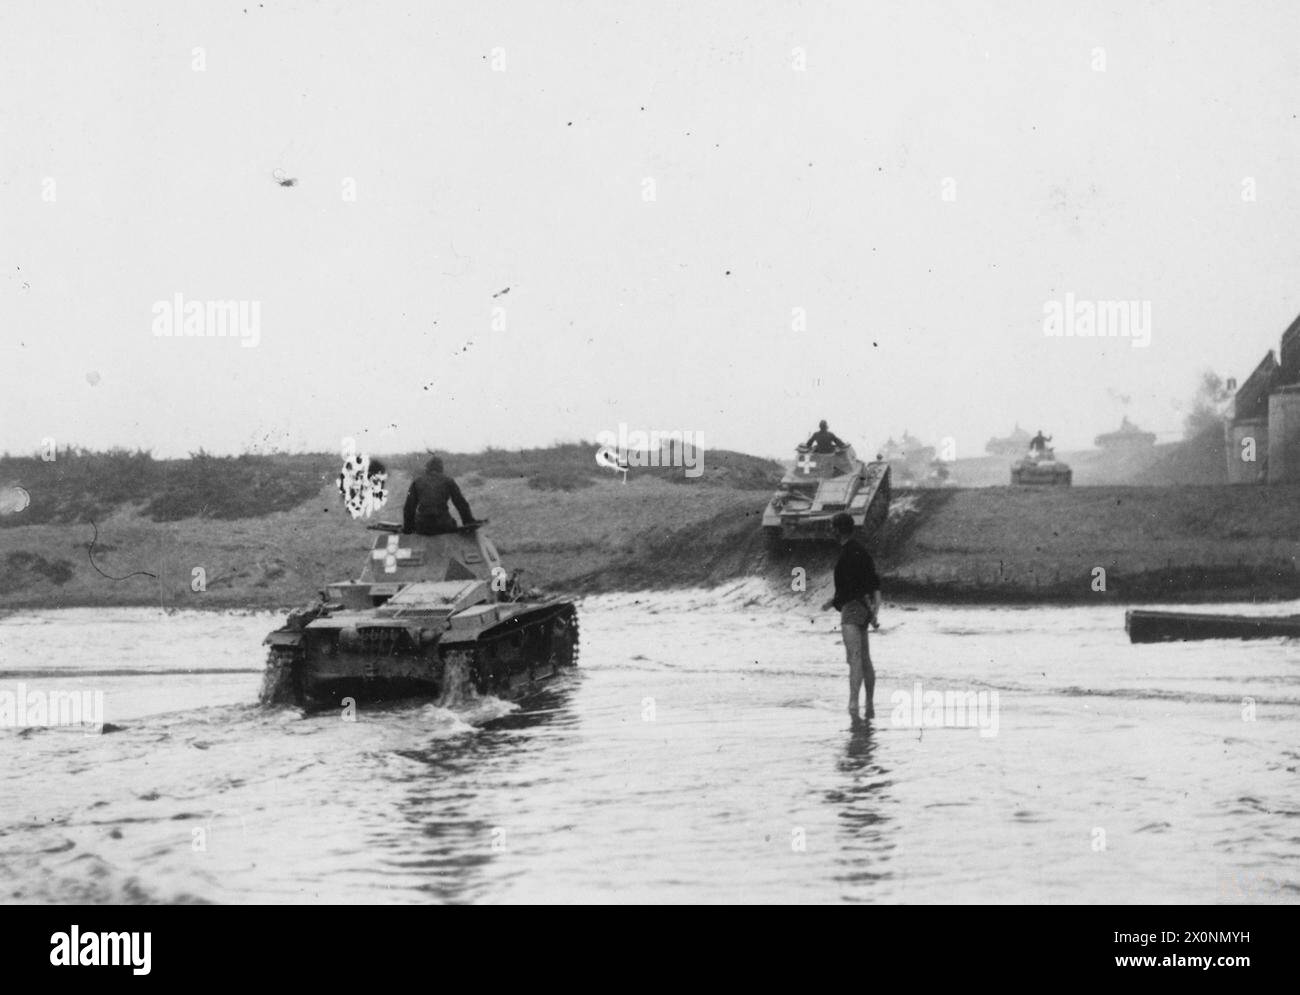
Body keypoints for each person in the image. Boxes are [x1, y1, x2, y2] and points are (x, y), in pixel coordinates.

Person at [821, 512, 882, 722]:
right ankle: (870, 703)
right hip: (864, 610)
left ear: (838, 530)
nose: (830, 530)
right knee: (865, 658)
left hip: (851, 610)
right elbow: (874, 586)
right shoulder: (862, 552)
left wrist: (833, 603)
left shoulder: (847, 554)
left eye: (832, 527)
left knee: (853, 658)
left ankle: (853, 703)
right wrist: (874, 613)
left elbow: (848, 590)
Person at [402, 455, 475, 535]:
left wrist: (408, 528)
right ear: (441, 468)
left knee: (419, 519)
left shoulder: (417, 482)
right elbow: (461, 503)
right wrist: (468, 522)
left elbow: (409, 508)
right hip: (444, 525)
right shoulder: (448, 481)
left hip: (423, 527)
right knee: (451, 522)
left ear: (427, 468)